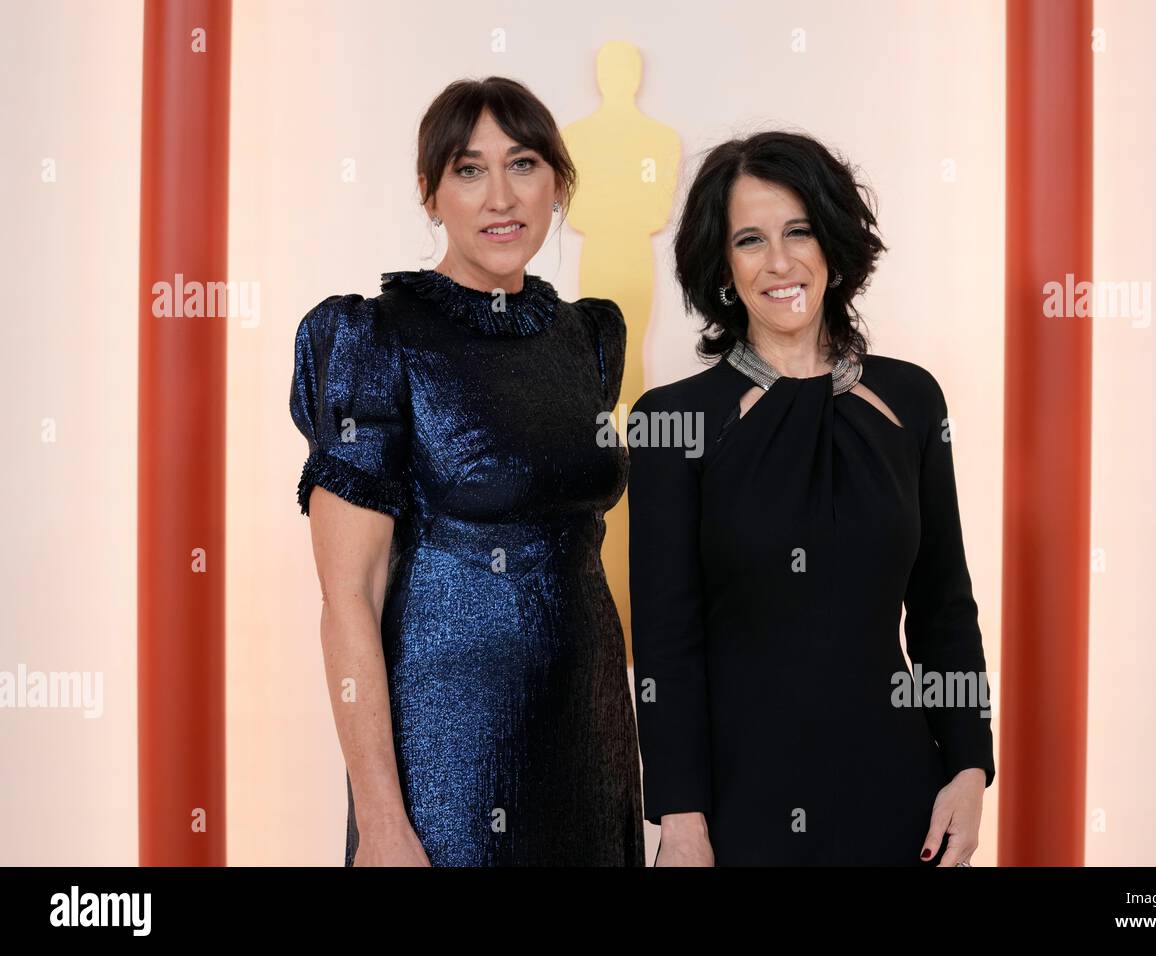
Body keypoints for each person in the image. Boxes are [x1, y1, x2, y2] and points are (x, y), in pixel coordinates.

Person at [290, 77, 643, 866]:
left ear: (558, 185)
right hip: (447, 760)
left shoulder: (586, 338)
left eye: (522, 165)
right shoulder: (374, 340)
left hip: (590, 741)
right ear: (429, 194)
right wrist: (382, 818)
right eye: (468, 170)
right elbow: (348, 598)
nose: (500, 198)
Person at [628, 131, 994, 866]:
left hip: (898, 796)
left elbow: (944, 604)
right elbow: (667, 642)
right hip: (739, 808)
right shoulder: (673, 422)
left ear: (832, 241)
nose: (782, 262)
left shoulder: (913, 399)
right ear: (724, 267)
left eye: (799, 231)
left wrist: (968, 768)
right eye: (751, 240)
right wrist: (681, 818)